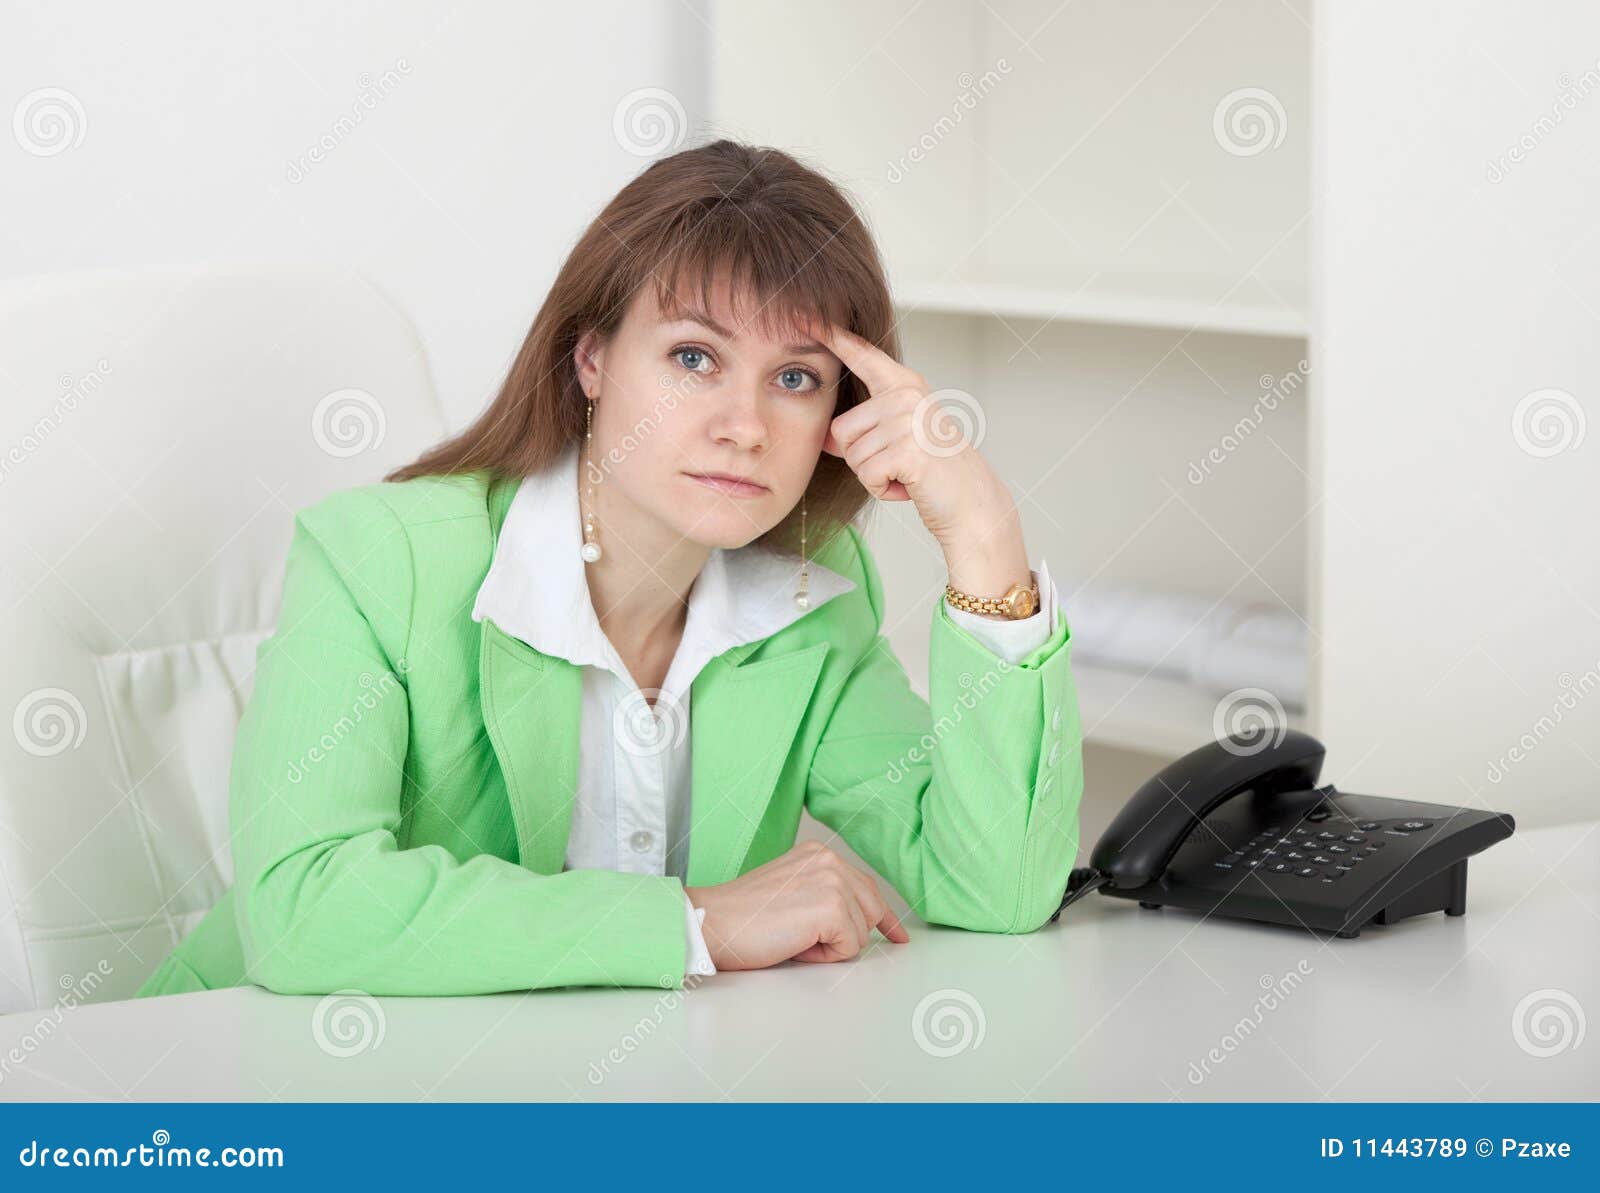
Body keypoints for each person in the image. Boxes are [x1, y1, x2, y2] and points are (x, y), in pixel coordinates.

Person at [135, 139, 1083, 998]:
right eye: (694, 357)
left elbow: (992, 886)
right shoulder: (379, 560)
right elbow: (303, 907)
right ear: (590, 358)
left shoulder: (810, 596)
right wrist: (696, 923)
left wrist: (983, 534)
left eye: (795, 378)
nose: (745, 426)